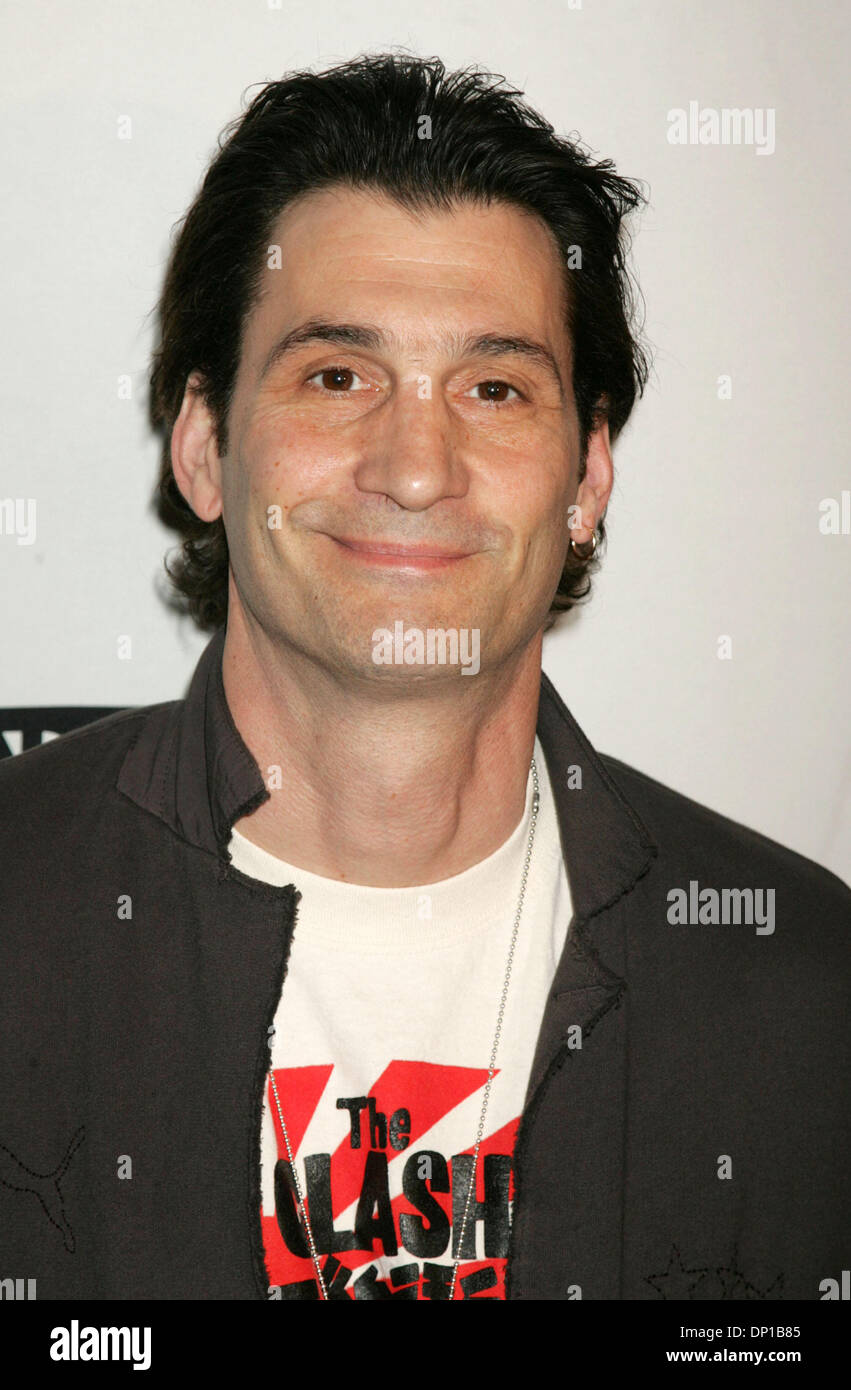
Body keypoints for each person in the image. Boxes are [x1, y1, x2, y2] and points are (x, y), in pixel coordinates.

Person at [1, 52, 848, 1303]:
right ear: (202, 447)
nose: (413, 465)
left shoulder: (801, 988)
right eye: (337, 376)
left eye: (494, 387)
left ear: (586, 481)